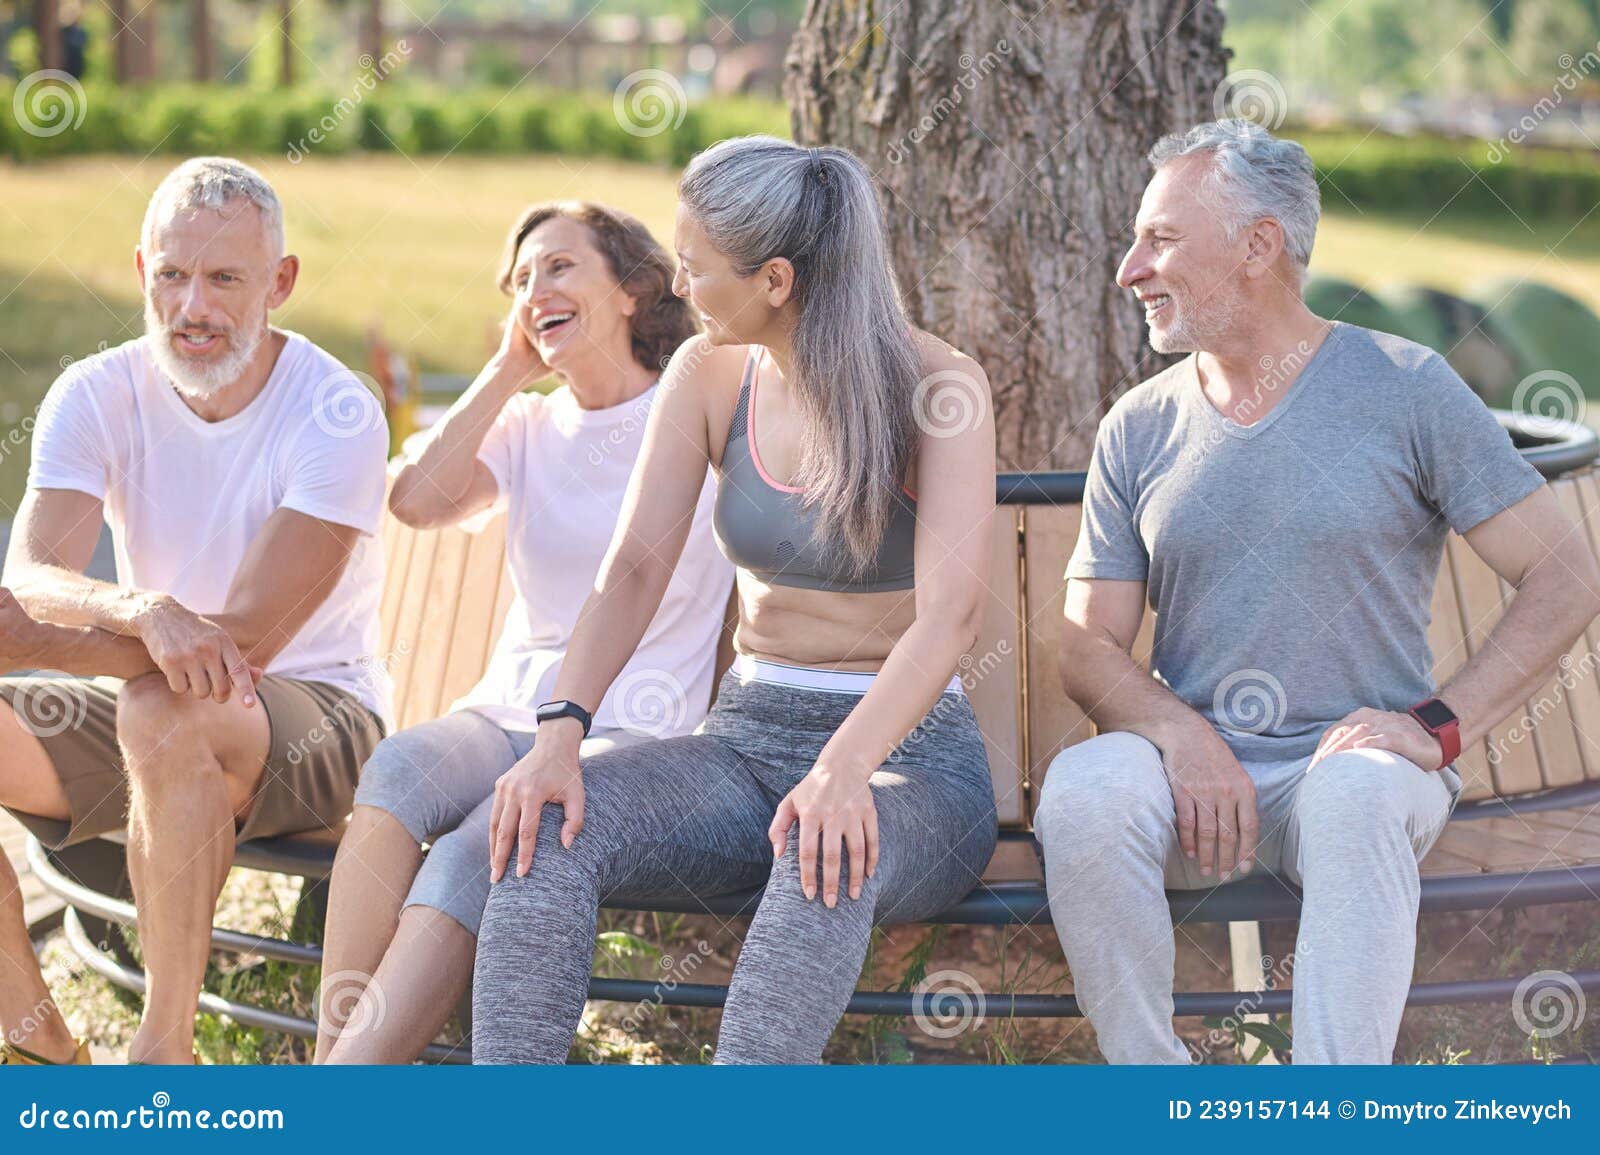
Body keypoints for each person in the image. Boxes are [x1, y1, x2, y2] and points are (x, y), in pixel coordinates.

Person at [1034, 119, 1600, 1064]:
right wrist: (1182, 734)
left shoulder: (1405, 387)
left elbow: (1567, 573)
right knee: (1084, 790)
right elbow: (1088, 644)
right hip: (1196, 781)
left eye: (1160, 240)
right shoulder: (1137, 426)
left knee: (1360, 794)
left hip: (1347, 774)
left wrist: (1440, 724)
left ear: (1258, 245)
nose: (1130, 269)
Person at [468, 136, 999, 1064]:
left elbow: (950, 615)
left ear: (777, 280)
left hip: (911, 762)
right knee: (545, 826)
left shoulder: (940, 387)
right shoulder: (708, 375)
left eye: (696, 267)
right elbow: (633, 567)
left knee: (824, 853)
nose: (677, 285)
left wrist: (842, 770)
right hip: (746, 745)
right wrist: (560, 731)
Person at [315, 202, 734, 1063]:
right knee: (396, 768)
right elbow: (415, 499)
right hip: (508, 709)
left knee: (484, 844)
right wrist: (508, 369)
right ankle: (333, 1064)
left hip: (632, 727)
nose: (533, 289)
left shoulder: (694, 413)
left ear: (632, 289)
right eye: (519, 280)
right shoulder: (532, 426)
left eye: (558, 267)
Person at [0, 157, 391, 1065]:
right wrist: (144, 608)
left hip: (317, 718)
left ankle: (163, 1054)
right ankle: (33, 1038)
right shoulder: (95, 391)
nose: (193, 308)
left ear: (280, 284)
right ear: (142, 272)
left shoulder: (335, 409)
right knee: (160, 704)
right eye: (173, 275)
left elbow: (245, 641)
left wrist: (39, 636)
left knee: (167, 704)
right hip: (153, 701)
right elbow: (32, 571)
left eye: (224, 278)